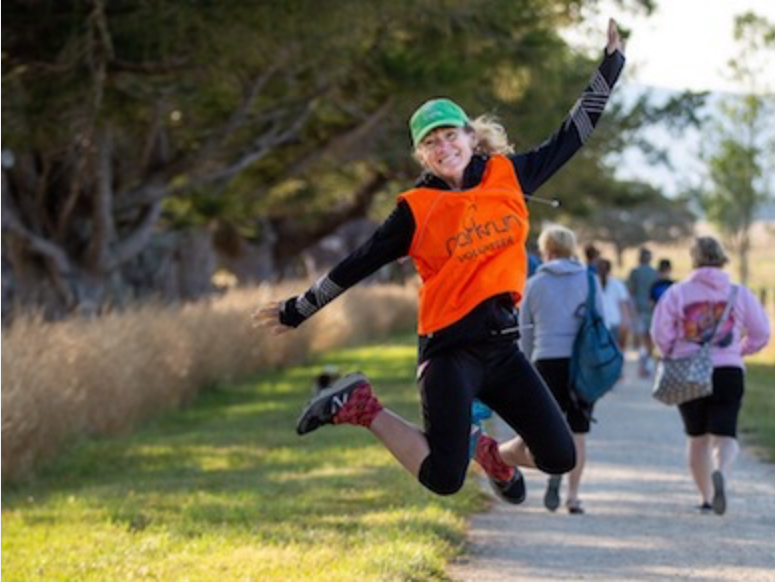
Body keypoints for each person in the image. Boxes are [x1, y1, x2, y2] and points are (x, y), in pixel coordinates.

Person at [252, 21, 625, 504]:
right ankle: (360, 405)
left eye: (449, 135)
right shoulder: (414, 210)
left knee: (559, 455)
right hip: (449, 352)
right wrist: (297, 309)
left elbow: (575, 132)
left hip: (503, 348)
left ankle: (492, 454)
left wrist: (611, 65)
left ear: (471, 137)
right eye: (430, 143)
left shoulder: (509, 175)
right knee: (444, 478)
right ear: (422, 156)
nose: (442, 147)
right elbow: (355, 264)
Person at [651, 236, 771, 515]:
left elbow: (660, 331)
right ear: (722, 258)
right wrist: (741, 350)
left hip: (687, 369)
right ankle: (722, 474)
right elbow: (762, 332)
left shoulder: (678, 292)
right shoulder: (739, 293)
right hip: (728, 369)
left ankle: (706, 497)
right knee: (726, 433)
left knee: (697, 438)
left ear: (694, 258)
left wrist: (671, 351)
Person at [518, 225, 602, 514]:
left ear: (547, 249)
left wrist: (526, 364)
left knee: (550, 428)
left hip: (545, 360)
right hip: (581, 364)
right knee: (579, 432)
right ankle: (573, 496)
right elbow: (601, 321)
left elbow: (524, 330)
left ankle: (554, 471)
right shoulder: (590, 280)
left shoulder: (534, 283)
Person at [626, 247, 658, 377]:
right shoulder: (655, 273)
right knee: (650, 338)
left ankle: (642, 365)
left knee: (640, 338)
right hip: (652, 310)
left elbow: (630, 291)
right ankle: (649, 364)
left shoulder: (635, 272)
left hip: (638, 310)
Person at [596, 258, 633, 350]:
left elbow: (623, 304)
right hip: (600, 323)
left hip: (613, 323)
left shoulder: (617, 284)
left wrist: (625, 322)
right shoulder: (594, 283)